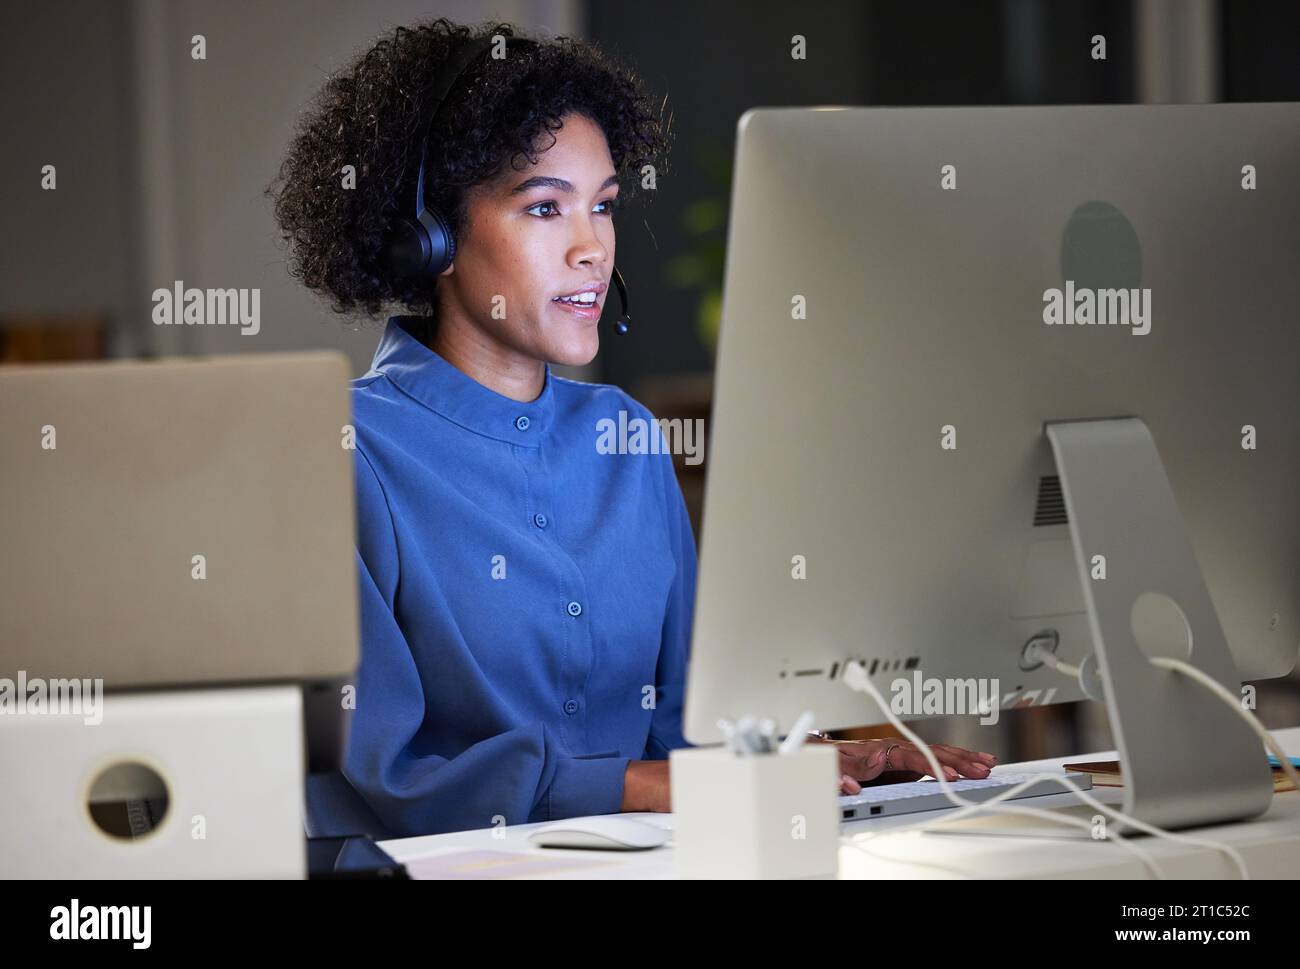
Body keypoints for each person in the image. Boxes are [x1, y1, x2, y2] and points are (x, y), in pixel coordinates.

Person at [270, 17, 995, 838]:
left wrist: (810, 758)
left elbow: (684, 726)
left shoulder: (629, 437)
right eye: (545, 208)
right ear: (430, 235)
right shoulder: (343, 453)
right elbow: (387, 779)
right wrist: (648, 786)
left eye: (604, 207)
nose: (593, 249)